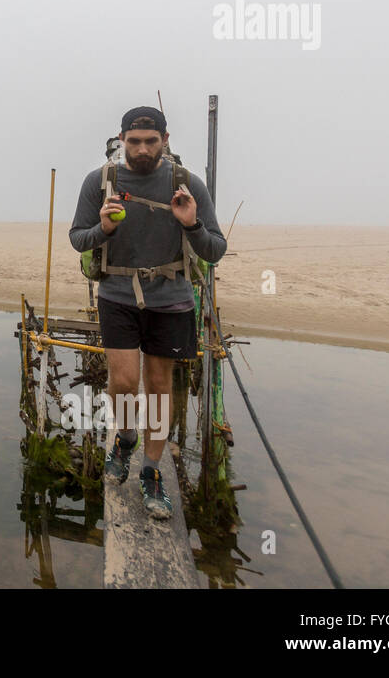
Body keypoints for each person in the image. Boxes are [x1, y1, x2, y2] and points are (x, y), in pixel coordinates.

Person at [69, 106, 227, 519]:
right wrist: (103, 229)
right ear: (121, 139)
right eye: (134, 141)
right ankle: (124, 438)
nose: (142, 149)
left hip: (172, 298)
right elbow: (76, 238)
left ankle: (152, 471)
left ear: (166, 139)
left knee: (158, 387)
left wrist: (192, 224)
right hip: (118, 293)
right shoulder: (100, 182)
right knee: (122, 383)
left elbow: (216, 250)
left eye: (150, 141)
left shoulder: (187, 184)